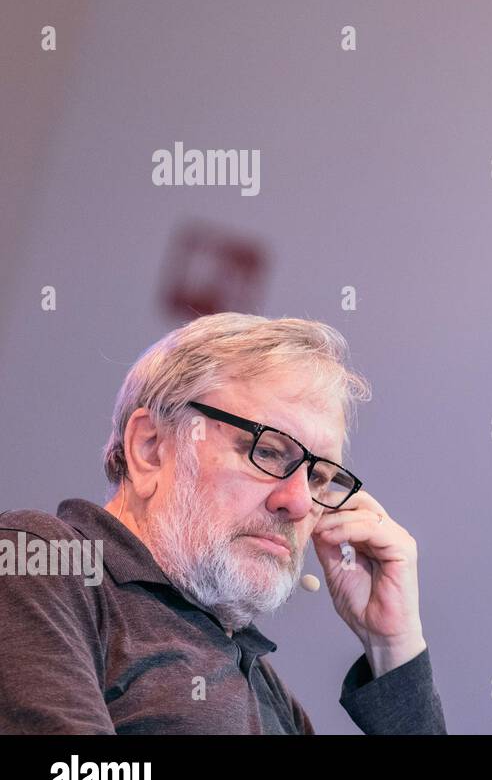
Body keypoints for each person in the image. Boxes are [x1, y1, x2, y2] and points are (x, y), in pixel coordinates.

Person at [0, 312, 447, 733]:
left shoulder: (271, 693)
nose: (296, 501)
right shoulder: (41, 564)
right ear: (150, 448)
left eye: (317, 477)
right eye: (268, 452)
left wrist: (393, 648)